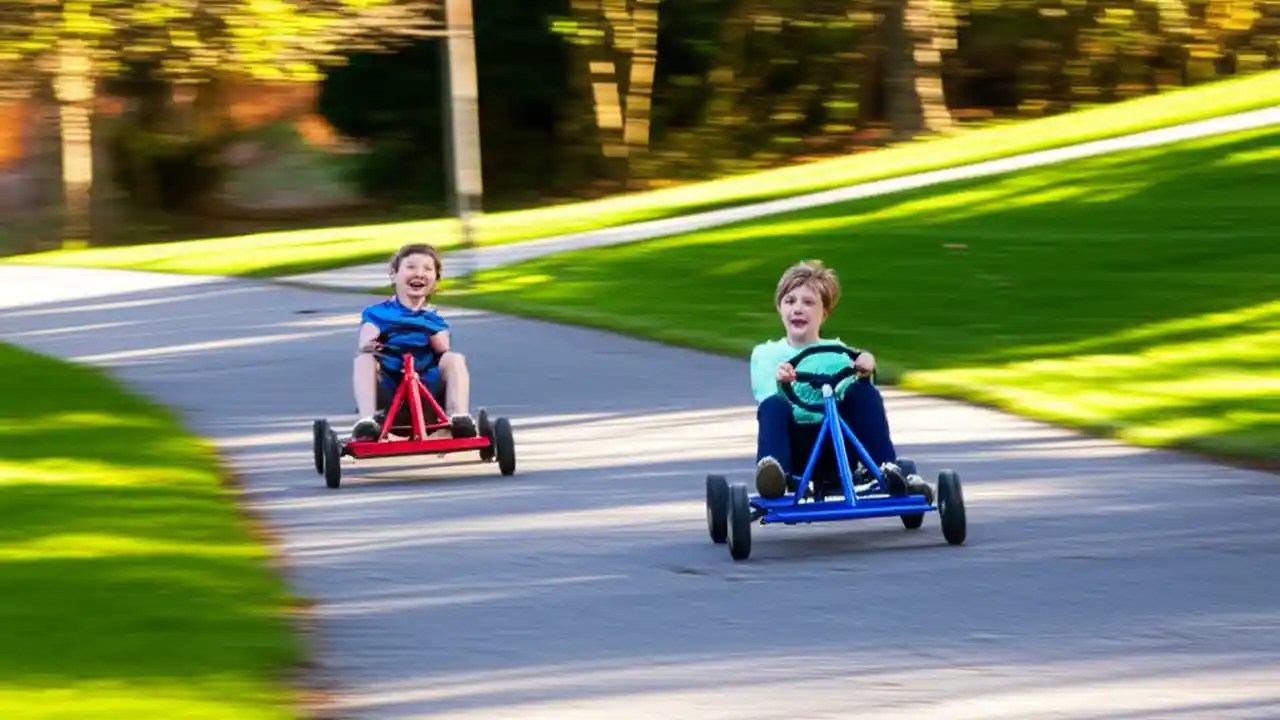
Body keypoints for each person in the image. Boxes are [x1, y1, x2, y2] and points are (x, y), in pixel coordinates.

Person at [749, 260, 932, 501]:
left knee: (864, 393)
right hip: (795, 447)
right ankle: (773, 475)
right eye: (790, 301)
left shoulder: (838, 352)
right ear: (780, 308)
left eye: (808, 302)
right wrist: (780, 380)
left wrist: (865, 368)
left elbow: (854, 390)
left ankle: (886, 469)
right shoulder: (766, 354)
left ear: (824, 312)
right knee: (773, 405)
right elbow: (764, 392)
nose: (798, 309)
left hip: (838, 444)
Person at [350, 243, 476, 440]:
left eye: (427, 269)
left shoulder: (433, 320)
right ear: (394, 275)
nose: (419, 273)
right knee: (363, 359)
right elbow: (368, 336)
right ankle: (366, 421)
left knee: (454, 358)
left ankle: (459, 417)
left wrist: (430, 331)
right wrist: (371, 344)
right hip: (390, 386)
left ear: (435, 279)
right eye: (411, 267)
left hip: (427, 386)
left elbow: (443, 350)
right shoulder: (378, 313)